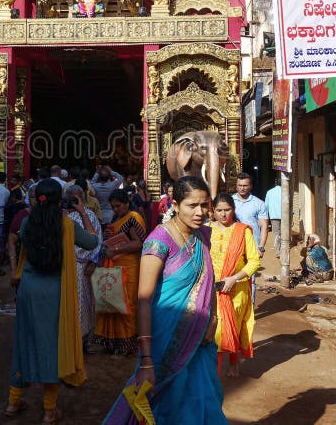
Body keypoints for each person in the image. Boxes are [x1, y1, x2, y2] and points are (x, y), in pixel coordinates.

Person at [103, 176, 226, 424]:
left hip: (200, 340)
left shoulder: (202, 236)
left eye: (204, 205)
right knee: (167, 408)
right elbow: (144, 301)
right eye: (192, 205)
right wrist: (147, 361)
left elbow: (208, 279)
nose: (200, 212)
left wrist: (212, 319)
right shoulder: (158, 242)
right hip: (166, 341)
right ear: (176, 204)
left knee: (204, 403)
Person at [4, 179, 98, 423]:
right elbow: (92, 241)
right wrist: (81, 212)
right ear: (60, 200)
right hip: (55, 291)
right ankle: (49, 410)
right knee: (51, 348)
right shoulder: (67, 224)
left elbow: (18, 239)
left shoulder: (27, 222)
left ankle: (13, 402)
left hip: (29, 289)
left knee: (24, 341)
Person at [208, 193, 260, 378]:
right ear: (212, 211)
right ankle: (214, 374)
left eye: (227, 210)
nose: (223, 214)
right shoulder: (205, 229)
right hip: (211, 289)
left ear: (234, 209)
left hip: (236, 290)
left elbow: (254, 262)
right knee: (216, 330)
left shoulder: (242, 231)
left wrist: (234, 278)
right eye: (219, 210)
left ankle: (233, 362)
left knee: (232, 328)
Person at [94, 189, 146, 357]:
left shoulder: (133, 218)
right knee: (112, 304)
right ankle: (112, 342)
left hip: (129, 267)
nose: (115, 209)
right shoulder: (117, 218)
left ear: (126, 204)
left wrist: (115, 248)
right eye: (113, 207)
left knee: (126, 305)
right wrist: (108, 235)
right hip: (115, 265)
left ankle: (127, 345)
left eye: (118, 206)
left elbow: (138, 243)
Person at [64, 183, 103, 353]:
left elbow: (97, 240)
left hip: (84, 267)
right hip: (66, 266)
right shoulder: (63, 217)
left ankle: (84, 340)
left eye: (76, 198)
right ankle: (70, 341)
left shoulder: (90, 217)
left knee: (85, 304)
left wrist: (93, 262)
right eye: (70, 198)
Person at [264, 177, 282, 258]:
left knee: (276, 234)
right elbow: (289, 205)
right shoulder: (285, 192)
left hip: (274, 216)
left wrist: (266, 218)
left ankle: (278, 251)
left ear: (275, 182)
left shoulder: (269, 192)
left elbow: (266, 206)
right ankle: (284, 250)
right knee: (283, 233)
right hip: (284, 216)